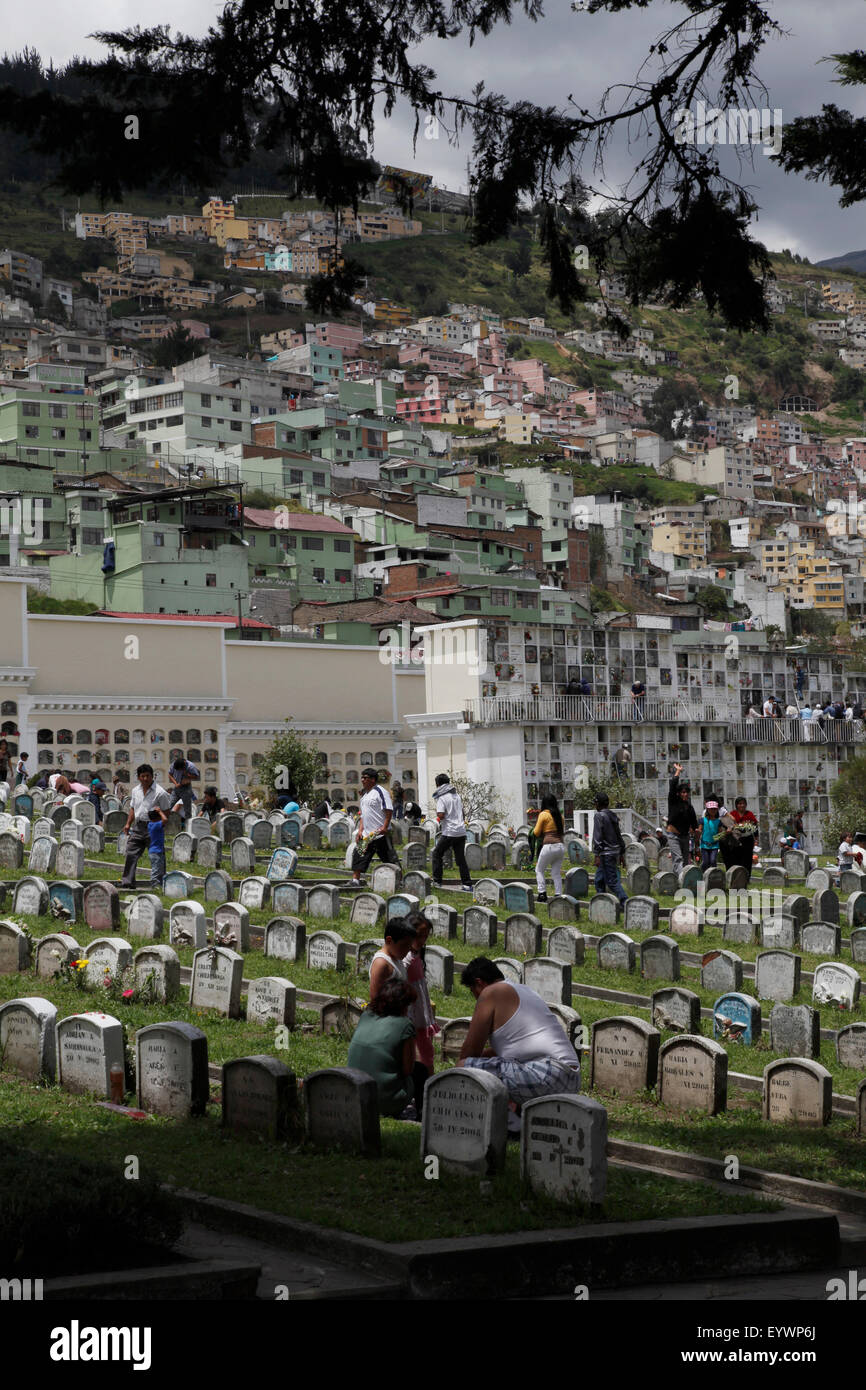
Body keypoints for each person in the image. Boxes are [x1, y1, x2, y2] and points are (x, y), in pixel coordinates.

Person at [458, 957, 581, 1133]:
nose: (475, 998)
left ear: (479, 983)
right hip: (570, 1079)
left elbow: (469, 1053)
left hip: (547, 1074)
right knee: (496, 1067)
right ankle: (517, 1120)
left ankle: (512, 1127)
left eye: (473, 992)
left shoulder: (490, 993)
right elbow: (512, 1048)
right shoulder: (523, 990)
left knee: (463, 1067)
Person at [346, 978, 425, 1119]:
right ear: (402, 1006)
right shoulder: (405, 1025)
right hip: (384, 1102)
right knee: (421, 1071)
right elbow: (408, 1069)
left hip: (355, 1093)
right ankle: (421, 1115)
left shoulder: (366, 1016)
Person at [405, 910, 439, 1115]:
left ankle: (429, 1091)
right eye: (419, 936)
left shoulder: (417, 955)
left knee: (426, 1052)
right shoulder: (406, 958)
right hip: (411, 1012)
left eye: (426, 936)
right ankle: (419, 1094)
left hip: (420, 1012)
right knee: (416, 1054)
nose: (422, 940)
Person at [119, 763, 171, 887]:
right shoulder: (135, 790)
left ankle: (158, 884)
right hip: (138, 826)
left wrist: (159, 824)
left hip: (153, 827)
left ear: (152, 776)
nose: (145, 779)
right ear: (138, 777)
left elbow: (167, 811)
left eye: (148, 776)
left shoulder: (160, 792)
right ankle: (128, 882)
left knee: (157, 856)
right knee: (131, 852)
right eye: (142, 776)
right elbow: (132, 808)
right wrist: (128, 824)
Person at [351, 768, 399, 885]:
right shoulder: (364, 795)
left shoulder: (380, 792)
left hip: (380, 834)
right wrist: (360, 831)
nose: (362, 780)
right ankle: (355, 881)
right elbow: (363, 815)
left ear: (373, 779)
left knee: (389, 859)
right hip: (367, 835)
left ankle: (399, 880)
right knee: (359, 855)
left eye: (365, 778)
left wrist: (385, 827)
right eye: (362, 777)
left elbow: (388, 810)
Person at [431, 772, 473, 891]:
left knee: (437, 854)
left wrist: (437, 819)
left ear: (438, 784)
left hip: (449, 831)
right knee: (460, 859)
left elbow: (441, 814)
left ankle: (437, 881)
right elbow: (462, 812)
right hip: (461, 831)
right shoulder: (456, 796)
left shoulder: (441, 797)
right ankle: (467, 884)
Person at [592, 791, 627, 904]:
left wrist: (596, 854)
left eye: (595, 802)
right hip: (614, 851)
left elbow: (598, 836)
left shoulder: (599, 815)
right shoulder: (612, 815)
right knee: (599, 880)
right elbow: (618, 835)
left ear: (598, 803)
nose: (594, 805)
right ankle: (601, 902)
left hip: (605, 853)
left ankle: (625, 901)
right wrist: (621, 852)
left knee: (612, 882)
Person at [533, 793, 565, 903]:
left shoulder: (544, 814)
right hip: (560, 846)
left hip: (549, 846)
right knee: (556, 872)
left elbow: (536, 832)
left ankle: (542, 893)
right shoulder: (560, 816)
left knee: (539, 869)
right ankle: (558, 894)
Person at [666, 780, 698, 874]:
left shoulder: (689, 807)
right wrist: (677, 772)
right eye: (683, 792)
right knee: (678, 859)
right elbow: (672, 787)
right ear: (679, 793)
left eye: (687, 792)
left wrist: (696, 832)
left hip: (685, 836)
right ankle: (682, 882)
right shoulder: (673, 802)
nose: (685, 794)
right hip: (673, 835)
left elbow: (694, 823)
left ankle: (679, 881)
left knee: (685, 861)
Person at [728, 795, 758, 884]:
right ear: (736, 805)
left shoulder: (749, 814)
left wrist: (756, 838)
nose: (742, 805)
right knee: (736, 859)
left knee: (747, 860)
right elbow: (729, 825)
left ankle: (747, 879)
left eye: (744, 804)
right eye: (740, 804)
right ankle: (737, 879)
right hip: (736, 840)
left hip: (748, 840)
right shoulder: (732, 814)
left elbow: (755, 826)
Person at [168, 755, 199, 822]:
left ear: (184, 765)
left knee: (187, 809)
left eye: (180, 770)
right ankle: (167, 824)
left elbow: (196, 776)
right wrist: (176, 784)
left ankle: (188, 825)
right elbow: (170, 774)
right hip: (177, 787)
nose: (179, 771)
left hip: (186, 788)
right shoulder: (174, 764)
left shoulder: (191, 766)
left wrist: (187, 775)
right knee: (170, 805)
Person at [699, 800, 724, 869]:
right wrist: (698, 832)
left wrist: (724, 833)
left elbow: (720, 834)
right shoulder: (703, 820)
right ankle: (703, 874)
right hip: (704, 845)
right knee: (705, 862)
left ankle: (714, 876)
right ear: (707, 809)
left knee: (713, 861)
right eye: (711, 809)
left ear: (717, 810)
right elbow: (700, 830)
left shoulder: (718, 821)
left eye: (715, 809)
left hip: (714, 845)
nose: (713, 810)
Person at [146, 806, 166, 889]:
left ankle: (160, 885)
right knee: (156, 869)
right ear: (157, 817)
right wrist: (160, 811)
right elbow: (165, 820)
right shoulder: (156, 825)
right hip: (156, 851)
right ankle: (154, 885)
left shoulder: (150, 824)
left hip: (157, 851)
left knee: (161, 869)